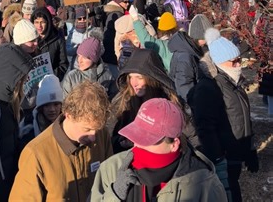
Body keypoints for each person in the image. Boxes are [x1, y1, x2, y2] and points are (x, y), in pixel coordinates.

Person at [92, 97, 226, 201]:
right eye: (136, 137)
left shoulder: (204, 183)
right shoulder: (111, 169)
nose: (138, 147)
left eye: (147, 140)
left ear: (174, 144)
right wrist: (114, 195)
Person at [9, 80, 113, 201]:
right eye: (87, 129)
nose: (94, 137)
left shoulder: (102, 134)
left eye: (97, 129)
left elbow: (109, 180)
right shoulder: (35, 154)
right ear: (69, 115)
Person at [188, 28, 259, 202]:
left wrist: (250, 149)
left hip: (236, 152)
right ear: (219, 62)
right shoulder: (209, 88)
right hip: (223, 158)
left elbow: (243, 118)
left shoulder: (235, 83)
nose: (238, 65)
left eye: (239, 61)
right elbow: (205, 128)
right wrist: (218, 158)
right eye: (233, 62)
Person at [0, 43, 34, 202]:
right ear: (11, 77)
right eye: (22, 80)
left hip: (9, 189)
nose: (25, 84)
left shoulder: (3, 101)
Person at [19, 74, 63, 146]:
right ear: (41, 107)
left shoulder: (69, 123)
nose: (52, 109)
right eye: (47, 105)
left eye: (56, 104)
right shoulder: (29, 129)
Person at [32, 6, 68, 81]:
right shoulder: (30, 40)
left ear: (48, 22)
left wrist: (51, 76)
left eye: (42, 22)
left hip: (51, 82)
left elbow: (63, 64)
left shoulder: (57, 40)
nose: (39, 26)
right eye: (36, 22)